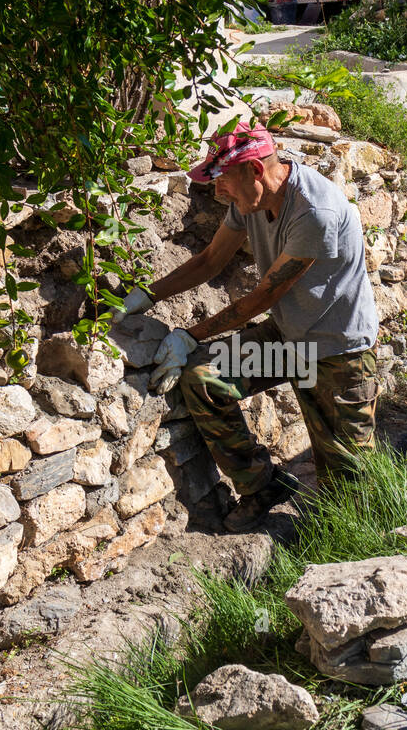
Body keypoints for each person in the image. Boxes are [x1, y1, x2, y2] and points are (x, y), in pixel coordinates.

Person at [110, 125, 381, 531]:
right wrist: (145, 296)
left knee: (349, 477)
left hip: (336, 353)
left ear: (255, 170)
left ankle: (359, 547)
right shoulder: (251, 200)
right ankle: (262, 487)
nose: (220, 194)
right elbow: (210, 260)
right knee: (205, 379)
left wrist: (190, 335)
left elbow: (262, 299)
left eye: (225, 182)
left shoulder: (315, 212)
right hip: (290, 342)